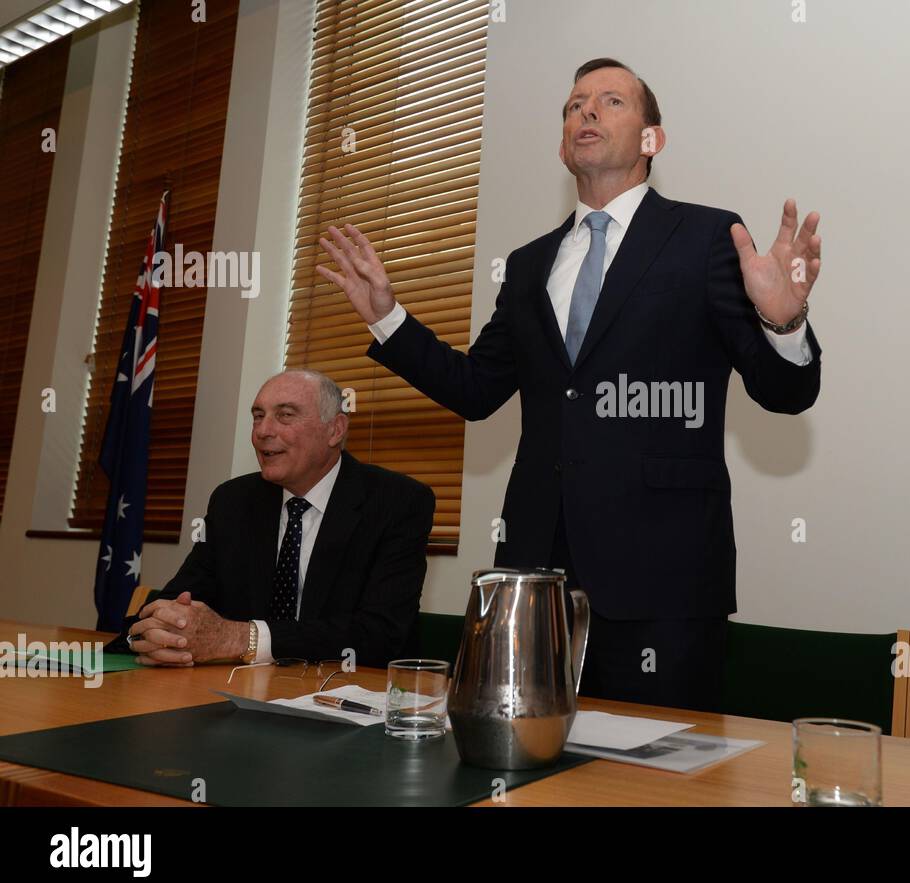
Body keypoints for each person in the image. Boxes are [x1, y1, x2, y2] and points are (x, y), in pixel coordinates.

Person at [316, 57, 824, 712]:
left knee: (658, 784)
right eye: (573, 104)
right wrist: (388, 316)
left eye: (610, 101)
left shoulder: (706, 237)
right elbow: (475, 388)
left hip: (663, 584)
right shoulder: (529, 265)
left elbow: (785, 393)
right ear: (562, 144)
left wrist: (784, 321)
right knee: (523, 769)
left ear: (651, 139)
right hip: (533, 580)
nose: (585, 111)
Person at [124, 370, 434, 668]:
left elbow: (381, 635)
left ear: (335, 430)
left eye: (285, 415)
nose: (262, 431)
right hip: (238, 693)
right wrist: (162, 632)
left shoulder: (397, 502)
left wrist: (244, 639)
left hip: (347, 696)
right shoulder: (233, 501)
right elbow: (180, 599)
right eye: (258, 416)